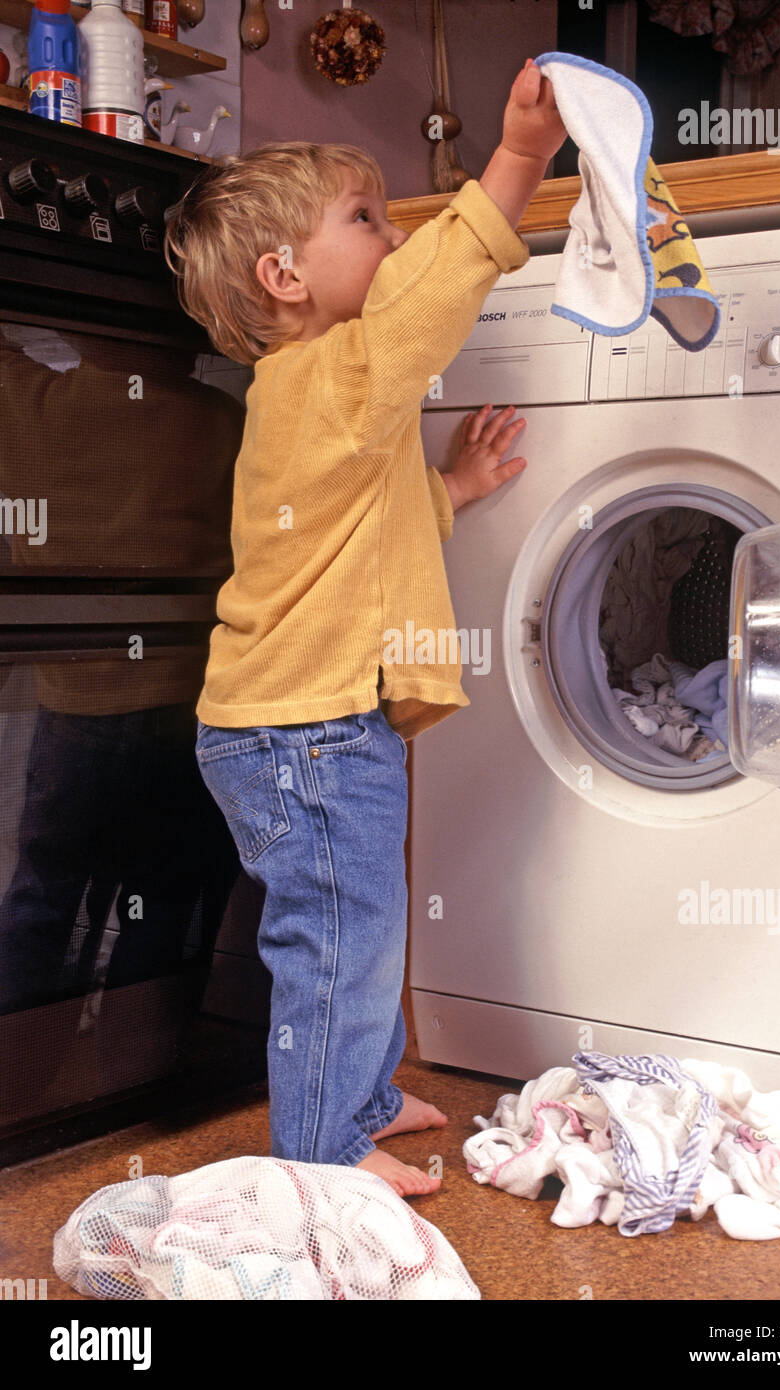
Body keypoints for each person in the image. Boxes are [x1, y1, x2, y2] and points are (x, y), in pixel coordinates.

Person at [164, 59, 566, 1197]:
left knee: (363, 926)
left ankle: (365, 1093)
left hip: (314, 727)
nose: (393, 239)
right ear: (284, 275)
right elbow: (424, 302)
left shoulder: (324, 396)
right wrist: (519, 160)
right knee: (336, 944)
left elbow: (355, 534)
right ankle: (319, 1153)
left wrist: (452, 490)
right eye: (366, 218)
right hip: (303, 733)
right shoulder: (326, 374)